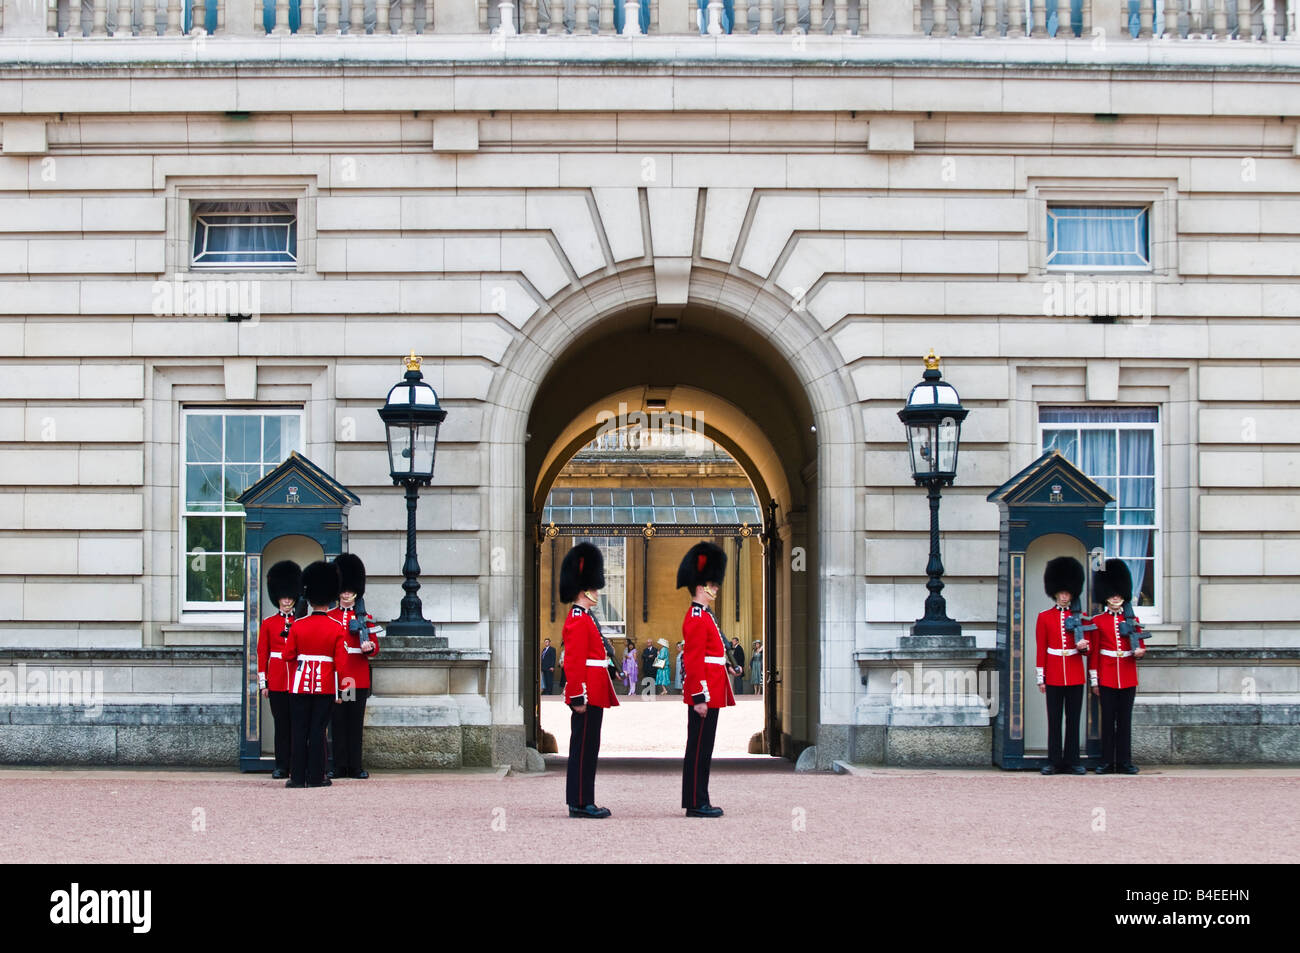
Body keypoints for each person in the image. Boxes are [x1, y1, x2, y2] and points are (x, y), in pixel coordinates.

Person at [561, 542, 619, 818]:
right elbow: (573, 663)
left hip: (593, 692)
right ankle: (581, 802)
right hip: (586, 694)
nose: (597, 592)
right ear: (584, 589)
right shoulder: (577, 619)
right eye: (594, 587)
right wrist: (577, 696)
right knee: (583, 748)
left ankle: (583, 799)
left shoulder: (585, 618)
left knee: (588, 747)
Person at [678, 541, 734, 818]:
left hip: (711, 688)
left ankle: (698, 799)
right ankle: (697, 802)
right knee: (699, 749)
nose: (716, 588)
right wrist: (699, 696)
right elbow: (694, 659)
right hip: (705, 692)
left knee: (703, 749)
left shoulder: (705, 615)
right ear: (702, 587)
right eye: (713, 583)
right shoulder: (697, 617)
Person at [283, 561, 348, 789]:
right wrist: (342, 692)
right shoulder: (336, 627)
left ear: (308, 599)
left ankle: (297, 777)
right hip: (326, 685)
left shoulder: (298, 626)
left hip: (299, 685)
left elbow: (288, 655)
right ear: (329, 598)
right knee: (318, 731)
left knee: (298, 731)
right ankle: (317, 776)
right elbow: (342, 663)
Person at [1089, 558, 1147, 775]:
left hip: (1127, 675)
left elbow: (1140, 644)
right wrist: (1095, 680)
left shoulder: (1133, 618)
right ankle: (1106, 761)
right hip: (1107, 676)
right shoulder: (1099, 620)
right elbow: (1094, 653)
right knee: (1107, 721)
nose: (1116, 597)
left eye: (1119, 594)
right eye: (1113, 594)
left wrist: (1140, 652)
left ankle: (1124, 761)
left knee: (1124, 722)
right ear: (1107, 596)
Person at [328, 553, 381, 780]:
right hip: (340, 678)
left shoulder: (365, 617)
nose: (346, 594)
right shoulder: (330, 617)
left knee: (355, 724)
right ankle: (339, 766)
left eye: (349, 591)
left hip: (356, 677)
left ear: (356, 592)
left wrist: (369, 648)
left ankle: (355, 766)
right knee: (338, 724)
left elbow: (375, 647)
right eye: (343, 590)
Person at [1035, 556, 1089, 776]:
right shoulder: (1044, 617)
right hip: (1055, 674)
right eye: (1062, 592)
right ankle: (1054, 761)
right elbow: (1041, 648)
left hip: (1075, 673)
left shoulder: (1082, 617)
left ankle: (1073, 760)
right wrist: (1041, 677)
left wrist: (1084, 646)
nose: (1065, 596)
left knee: (1073, 720)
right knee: (1054, 720)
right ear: (1055, 592)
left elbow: (1090, 648)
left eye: (1068, 593)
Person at [257, 560, 301, 780]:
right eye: (283, 597)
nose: (286, 601)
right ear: (277, 598)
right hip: (276, 679)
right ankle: (281, 765)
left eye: (289, 597)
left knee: (297, 724)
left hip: (297, 678)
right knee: (281, 724)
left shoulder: (301, 622)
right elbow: (262, 654)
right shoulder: (268, 623)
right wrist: (263, 683)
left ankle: (296, 764)